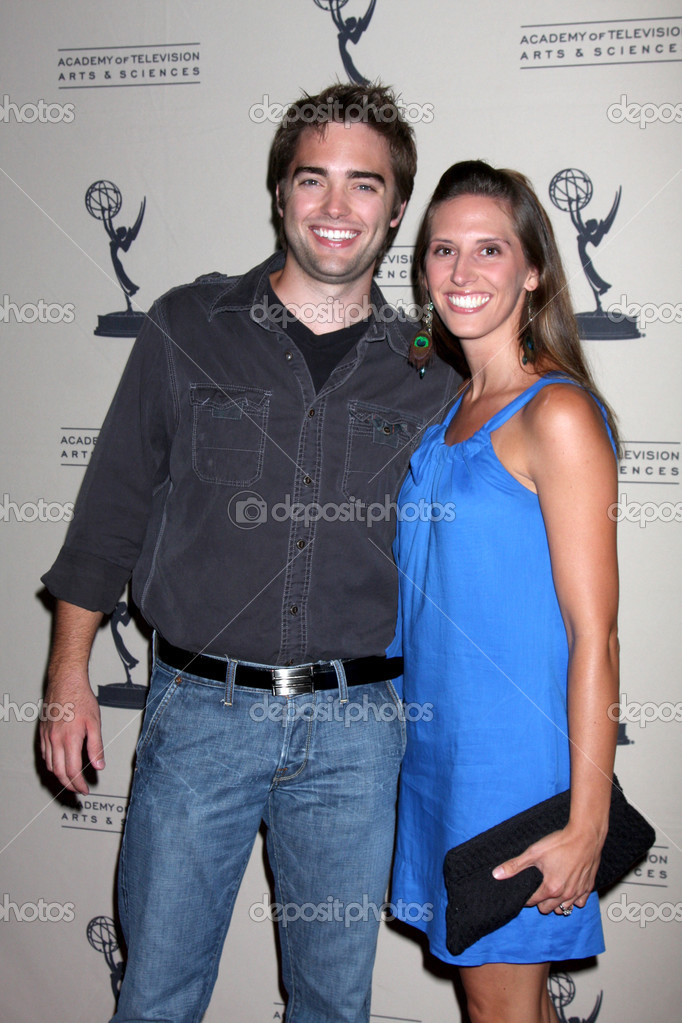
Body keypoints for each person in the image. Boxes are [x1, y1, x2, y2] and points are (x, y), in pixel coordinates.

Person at [38, 83, 459, 1023]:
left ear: (396, 209)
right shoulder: (186, 326)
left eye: (365, 186)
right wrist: (69, 675)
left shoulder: (433, 366)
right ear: (281, 193)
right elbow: (109, 509)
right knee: (156, 995)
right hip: (199, 718)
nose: (336, 209)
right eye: (314, 180)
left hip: (359, 732)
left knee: (330, 1005)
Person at [390, 161, 619, 1023]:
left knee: (499, 1009)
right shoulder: (450, 412)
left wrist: (587, 820)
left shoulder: (554, 414)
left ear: (533, 271)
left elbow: (595, 633)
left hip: (513, 770)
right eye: (443, 250)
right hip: (439, 757)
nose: (461, 272)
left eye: (489, 249)